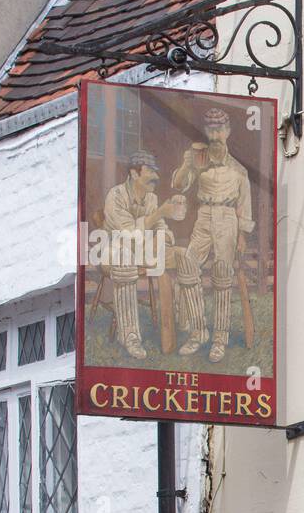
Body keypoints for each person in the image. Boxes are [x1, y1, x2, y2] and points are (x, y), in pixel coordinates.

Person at [171, 107, 254, 362]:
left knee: (221, 274)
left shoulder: (239, 170)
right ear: (206, 132)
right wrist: (187, 165)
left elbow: (245, 206)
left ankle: (220, 338)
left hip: (228, 217)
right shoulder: (198, 161)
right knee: (187, 266)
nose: (216, 134)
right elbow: (178, 185)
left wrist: (242, 235)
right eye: (211, 130)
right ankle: (198, 332)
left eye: (220, 129)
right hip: (204, 215)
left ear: (227, 132)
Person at [102, 150, 177, 359]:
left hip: (143, 250)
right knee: (124, 261)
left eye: (156, 171)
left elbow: (161, 227)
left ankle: (191, 329)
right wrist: (159, 214)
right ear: (134, 174)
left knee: (182, 257)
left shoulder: (151, 198)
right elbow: (128, 233)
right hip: (114, 249)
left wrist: (166, 236)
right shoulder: (115, 195)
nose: (156, 177)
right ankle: (130, 337)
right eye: (150, 171)